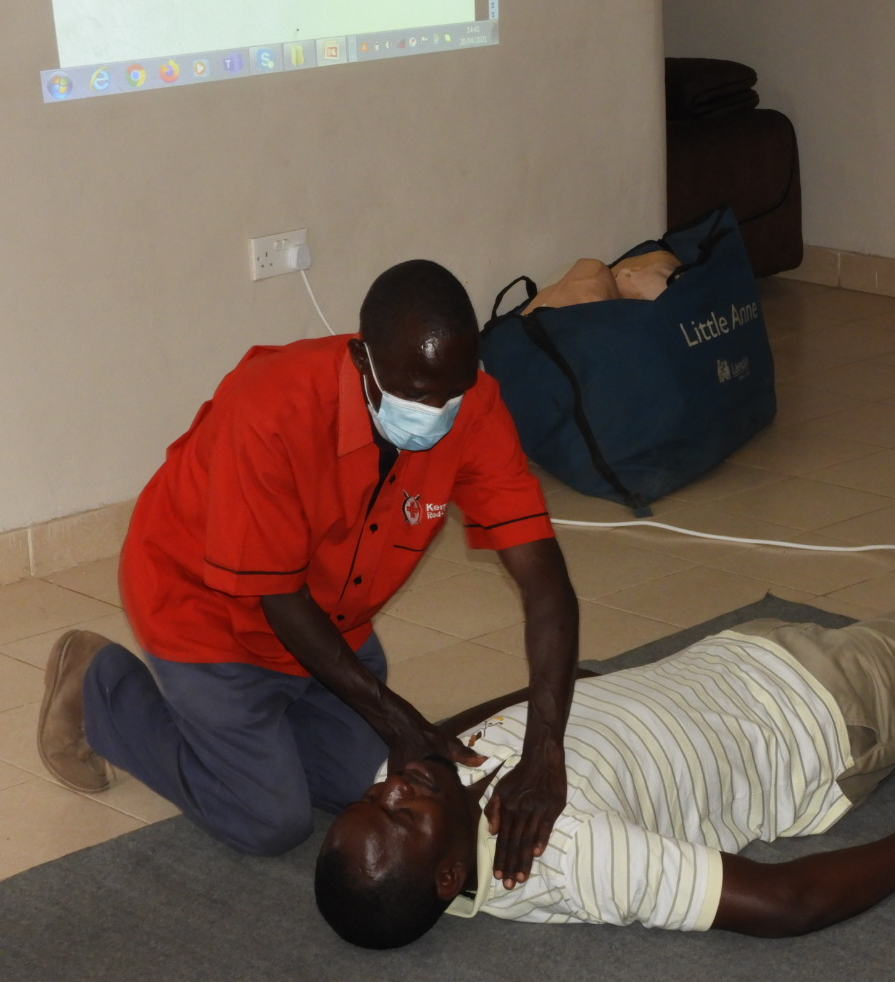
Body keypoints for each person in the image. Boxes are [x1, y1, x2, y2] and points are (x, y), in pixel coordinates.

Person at [315, 461, 895, 948]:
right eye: (400, 817)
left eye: (375, 797)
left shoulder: (437, 779)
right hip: (814, 719)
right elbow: (785, 903)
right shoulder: (558, 856)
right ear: (450, 876)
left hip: (738, 668)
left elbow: (550, 695)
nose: (395, 789)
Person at [35, 260, 580, 874]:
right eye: (417, 393)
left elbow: (545, 581)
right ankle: (100, 687)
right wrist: (394, 715)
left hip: (329, 624)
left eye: (452, 390)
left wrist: (546, 750)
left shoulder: (473, 406)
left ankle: (267, 734)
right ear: (362, 358)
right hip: (206, 617)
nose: (438, 410)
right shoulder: (269, 410)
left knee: (381, 784)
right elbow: (279, 598)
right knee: (270, 819)